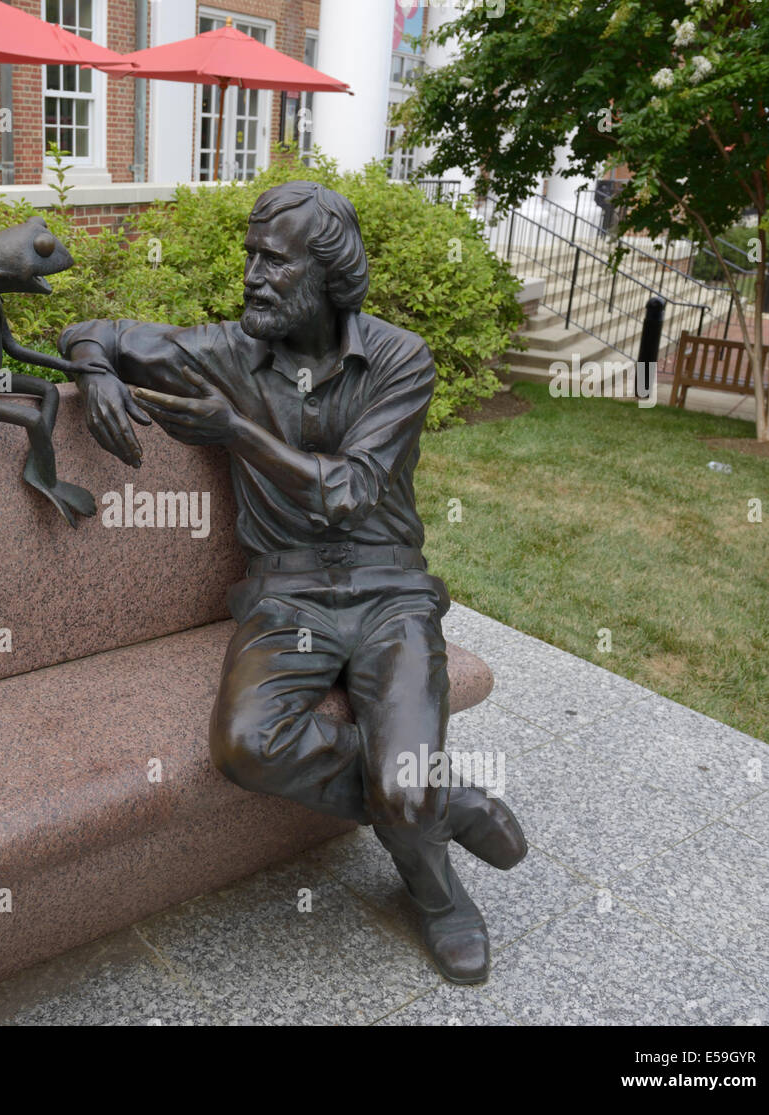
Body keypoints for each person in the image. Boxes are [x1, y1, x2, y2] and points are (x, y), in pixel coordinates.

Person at [58, 181, 526, 984]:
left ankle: (438, 892)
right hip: (287, 594)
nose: (251, 275)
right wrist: (96, 371)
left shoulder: (400, 358)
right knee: (246, 744)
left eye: (272, 262)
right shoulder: (228, 352)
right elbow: (87, 330)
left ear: (328, 272)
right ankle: (443, 804)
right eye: (249, 256)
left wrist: (235, 430)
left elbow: (349, 491)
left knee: (403, 780)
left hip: (389, 593)